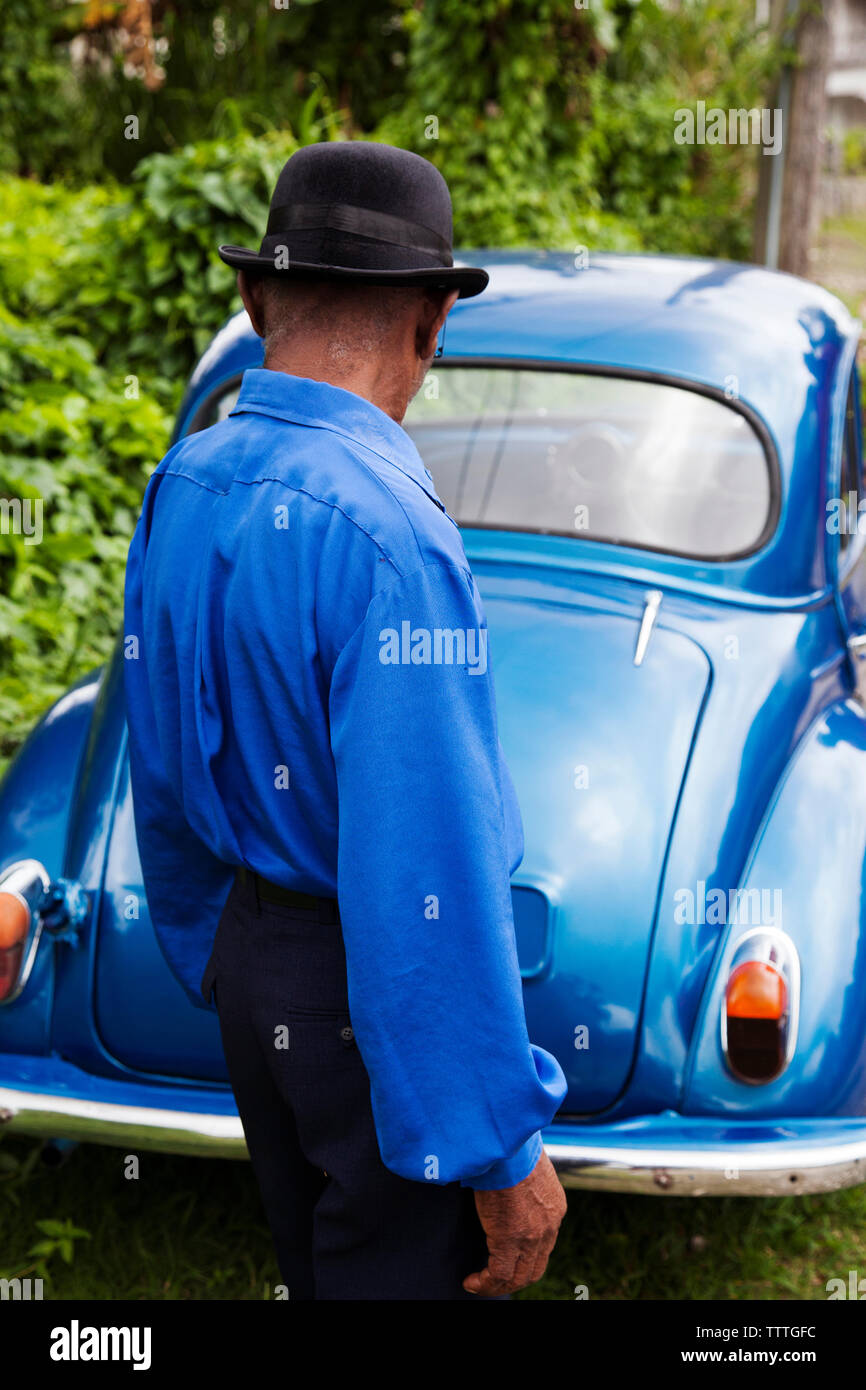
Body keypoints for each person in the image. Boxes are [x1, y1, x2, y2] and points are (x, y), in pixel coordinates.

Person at [123, 140, 567, 1301]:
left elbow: (157, 756)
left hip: (252, 965)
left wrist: (218, 950)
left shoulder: (186, 479)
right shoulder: (391, 533)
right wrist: (498, 1146)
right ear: (429, 326)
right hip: (366, 999)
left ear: (253, 296)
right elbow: (423, 867)